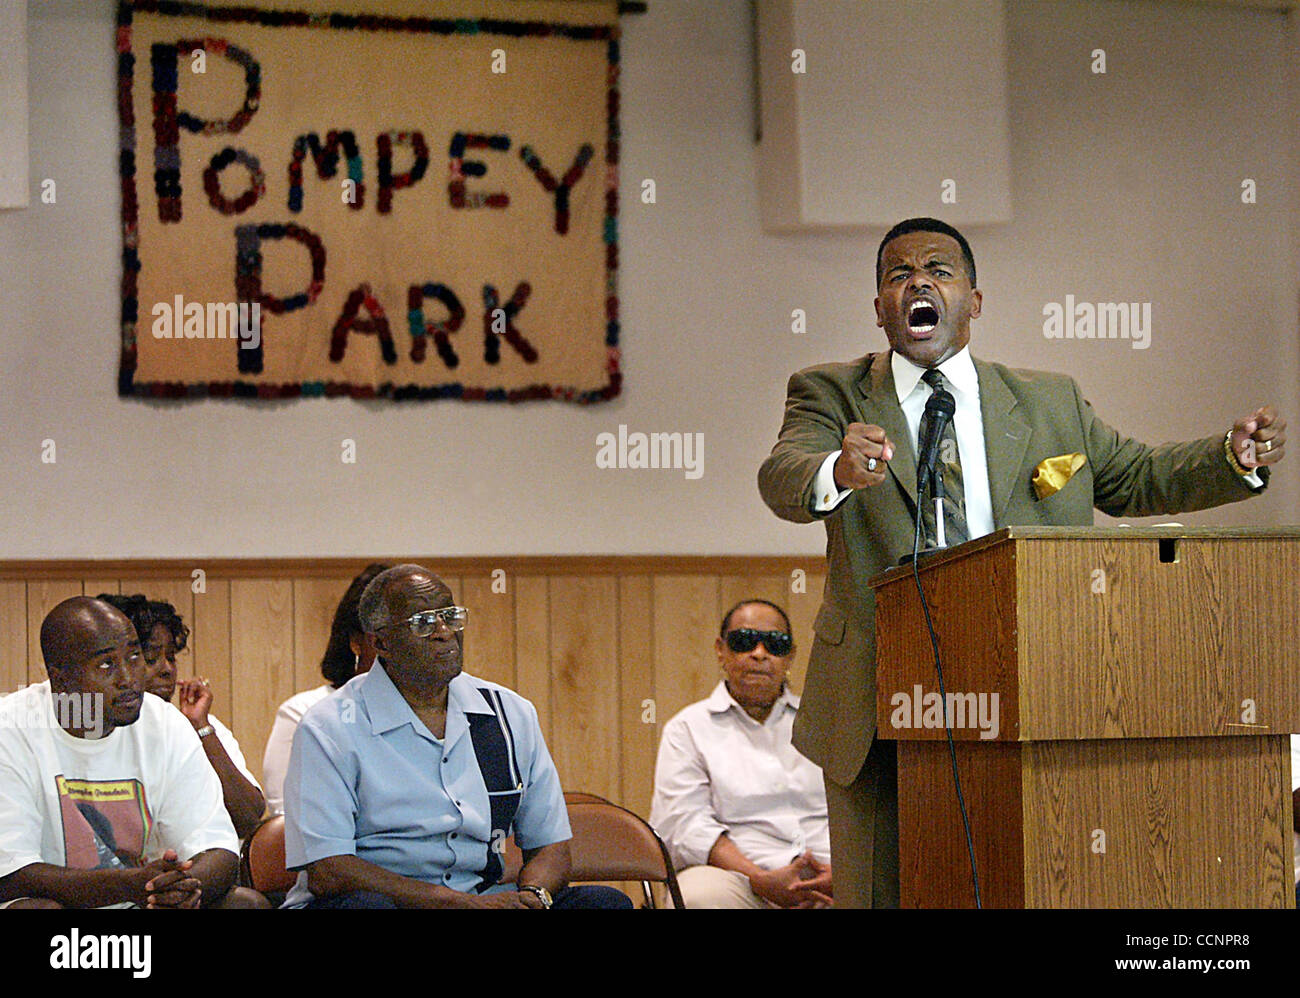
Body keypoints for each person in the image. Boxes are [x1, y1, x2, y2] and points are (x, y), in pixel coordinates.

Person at [757, 216, 1288, 908]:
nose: (919, 282)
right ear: (880, 310)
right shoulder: (831, 392)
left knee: (1032, 882)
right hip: (879, 699)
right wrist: (836, 467)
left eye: (940, 270)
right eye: (898, 274)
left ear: (974, 301)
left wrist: (1229, 458)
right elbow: (782, 475)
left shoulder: (1047, 400)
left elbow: (1134, 478)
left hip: (1033, 687)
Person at [282, 564, 631, 909]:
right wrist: (454, 904)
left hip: (483, 896)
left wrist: (533, 897)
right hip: (385, 901)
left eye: (450, 616)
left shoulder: (510, 713)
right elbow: (329, 871)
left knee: (604, 902)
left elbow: (550, 847)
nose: (444, 632)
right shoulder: (329, 726)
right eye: (423, 623)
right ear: (381, 642)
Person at [0, 597, 265, 909]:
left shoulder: (166, 724)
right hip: (64, 906)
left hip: (147, 901)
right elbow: (12, 876)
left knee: (244, 904)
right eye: (106, 664)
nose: (128, 678)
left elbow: (218, 849)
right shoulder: (12, 727)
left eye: (135, 656)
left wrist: (182, 888)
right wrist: (128, 886)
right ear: (60, 680)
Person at [650, 599, 832, 908]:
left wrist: (842, 873)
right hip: (738, 880)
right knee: (699, 900)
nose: (759, 653)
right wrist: (758, 879)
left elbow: (864, 812)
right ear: (721, 650)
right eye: (744, 641)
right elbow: (685, 825)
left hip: (830, 875)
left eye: (775, 644)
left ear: (790, 656)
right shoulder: (688, 728)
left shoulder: (826, 723)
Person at [98, 593, 265, 840]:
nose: (167, 669)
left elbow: (248, 819)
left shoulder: (200, 726)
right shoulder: (97, 729)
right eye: (151, 657)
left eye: (171, 657)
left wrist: (200, 727)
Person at [261, 563, 391, 815]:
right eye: (385, 637)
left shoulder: (430, 713)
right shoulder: (303, 712)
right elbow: (286, 819)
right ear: (356, 641)